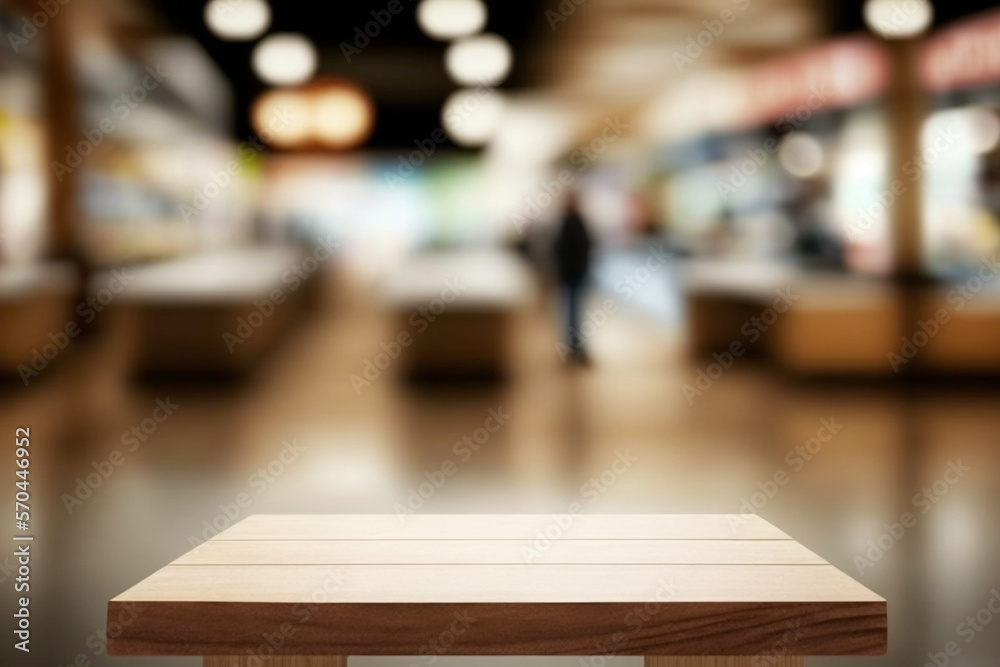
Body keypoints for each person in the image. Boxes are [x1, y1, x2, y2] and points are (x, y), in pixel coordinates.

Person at [552, 192, 593, 364]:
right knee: (574, 312)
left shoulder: (567, 223)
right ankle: (575, 347)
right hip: (574, 274)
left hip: (572, 274)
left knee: (572, 312)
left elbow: (560, 249)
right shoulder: (575, 223)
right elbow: (586, 247)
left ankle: (573, 346)